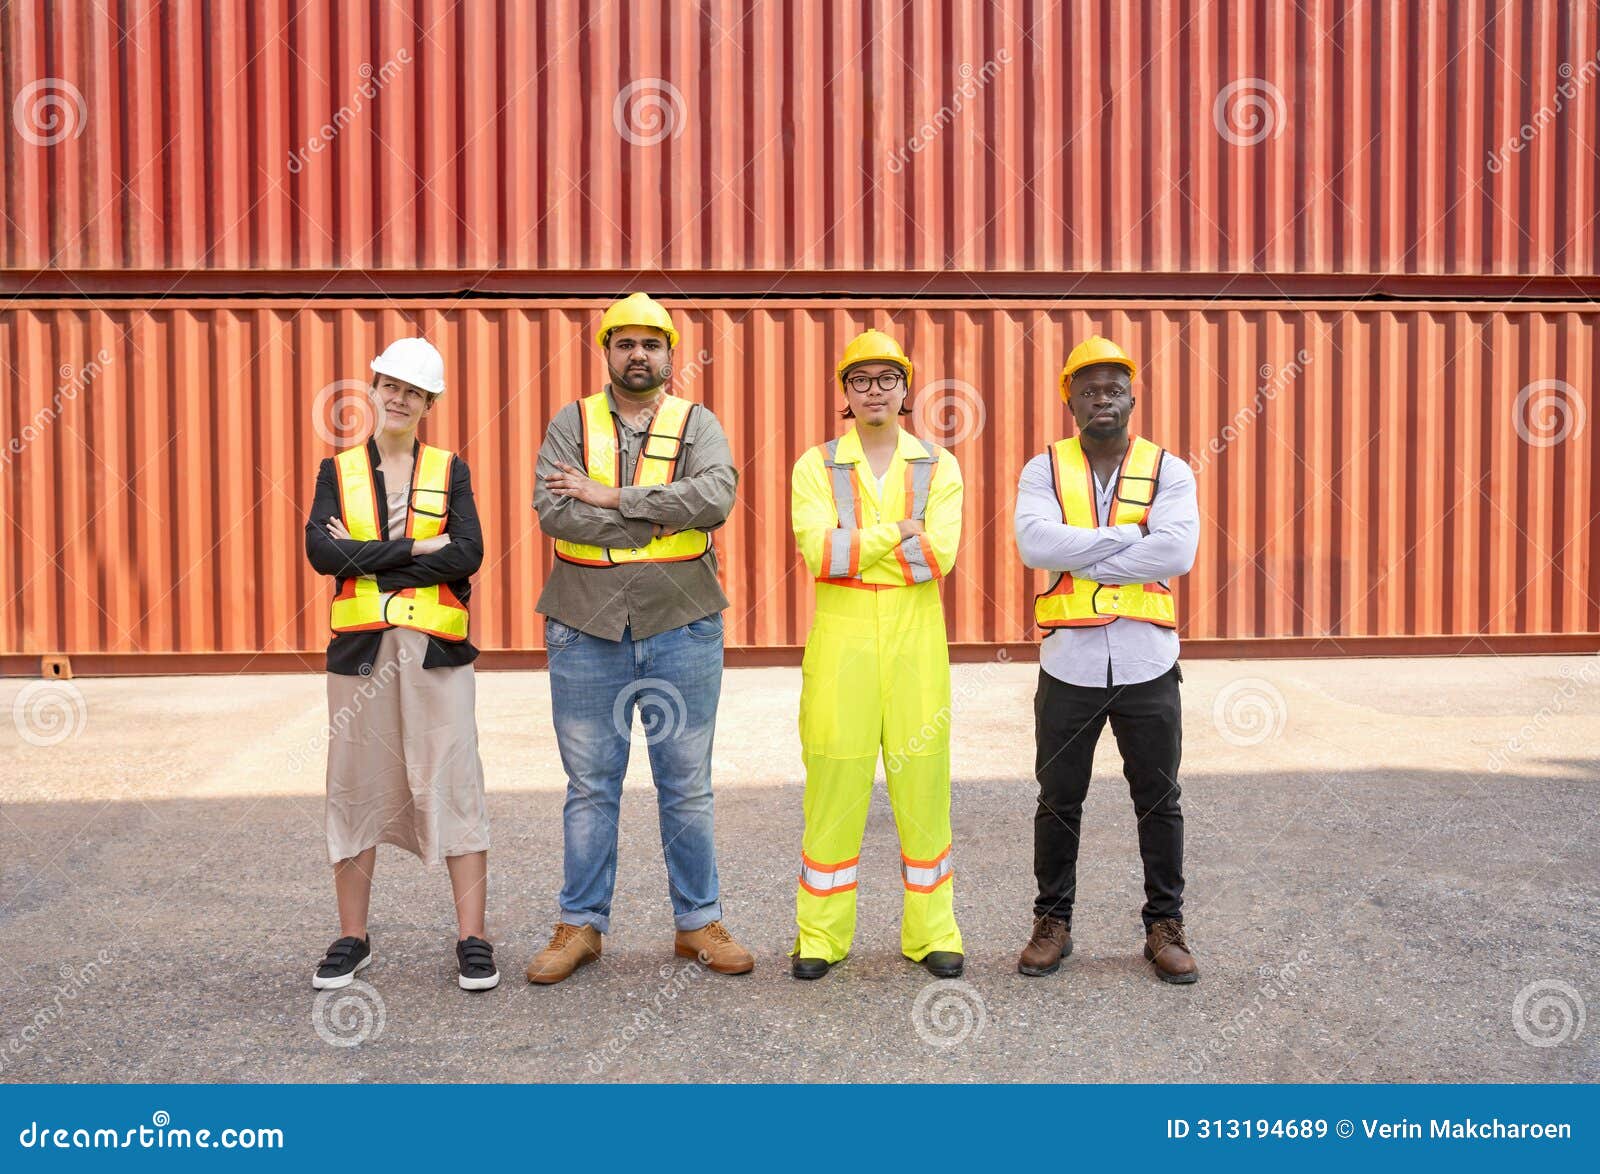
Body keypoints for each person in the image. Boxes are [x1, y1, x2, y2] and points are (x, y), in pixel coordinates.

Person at [526, 293, 752, 984]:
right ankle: (581, 925)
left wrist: (611, 497)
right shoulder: (573, 422)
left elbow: (715, 497)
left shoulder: (697, 421)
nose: (638, 355)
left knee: (684, 783)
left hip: (681, 620)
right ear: (607, 351)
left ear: (669, 355)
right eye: (625, 343)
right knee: (591, 784)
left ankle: (698, 923)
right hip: (584, 623)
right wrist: (657, 515)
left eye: (650, 344)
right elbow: (553, 512)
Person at [303, 337, 497, 992]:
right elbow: (323, 557)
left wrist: (368, 552)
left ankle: (472, 938)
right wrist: (419, 546)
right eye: (390, 385)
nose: (399, 398)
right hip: (360, 658)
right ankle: (351, 938)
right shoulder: (338, 471)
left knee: (455, 781)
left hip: (437, 654)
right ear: (374, 387)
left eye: (413, 391)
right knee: (354, 787)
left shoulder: (451, 469)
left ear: (429, 403)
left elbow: (466, 554)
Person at [1012, 335, 1200, 983]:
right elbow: (1036, 544)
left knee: (1159, 799)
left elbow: (1177, 554)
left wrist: (1082, 549)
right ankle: (1052, 922)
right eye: (1089, 388)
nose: (1102, 398)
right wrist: (1129, 535)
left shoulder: (1170, 468)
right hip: (1071, 665)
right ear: (1069, 398)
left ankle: (1165, 927)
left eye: (1114, 388)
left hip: (1149, 662)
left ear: (1132, 398)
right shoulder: (1044, 468)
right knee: (1059, 799)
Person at [787, 328, 965, 980]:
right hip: (842, 640)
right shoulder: (817, 465)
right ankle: (820, 938)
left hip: (917, 640)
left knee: (923, 785)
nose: (874, 391)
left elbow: (937, 556)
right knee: (835, 781)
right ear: (845, 392)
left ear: (906, 388)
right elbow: (819, 553)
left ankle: (933, 934)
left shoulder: (939, 466)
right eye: (860, 381)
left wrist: (861, 546)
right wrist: (900, 533)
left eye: (886, 379)